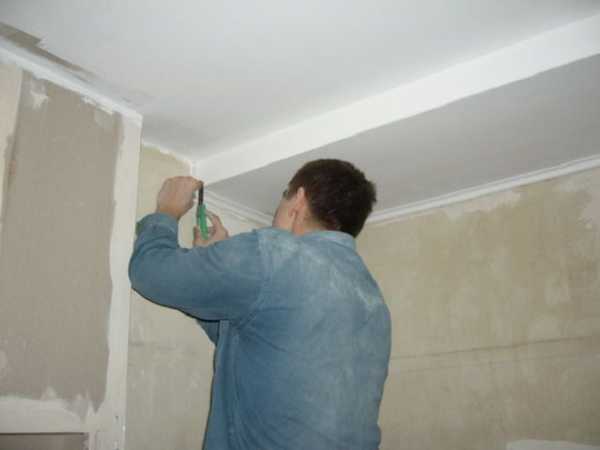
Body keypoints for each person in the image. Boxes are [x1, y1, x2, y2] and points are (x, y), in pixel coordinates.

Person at [129, 159, 391, 450]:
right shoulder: (372, 300)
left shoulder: (275, 252)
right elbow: (257, 338)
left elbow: (149, 273)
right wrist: (219, 279)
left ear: (299, 199)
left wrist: (166, 211)